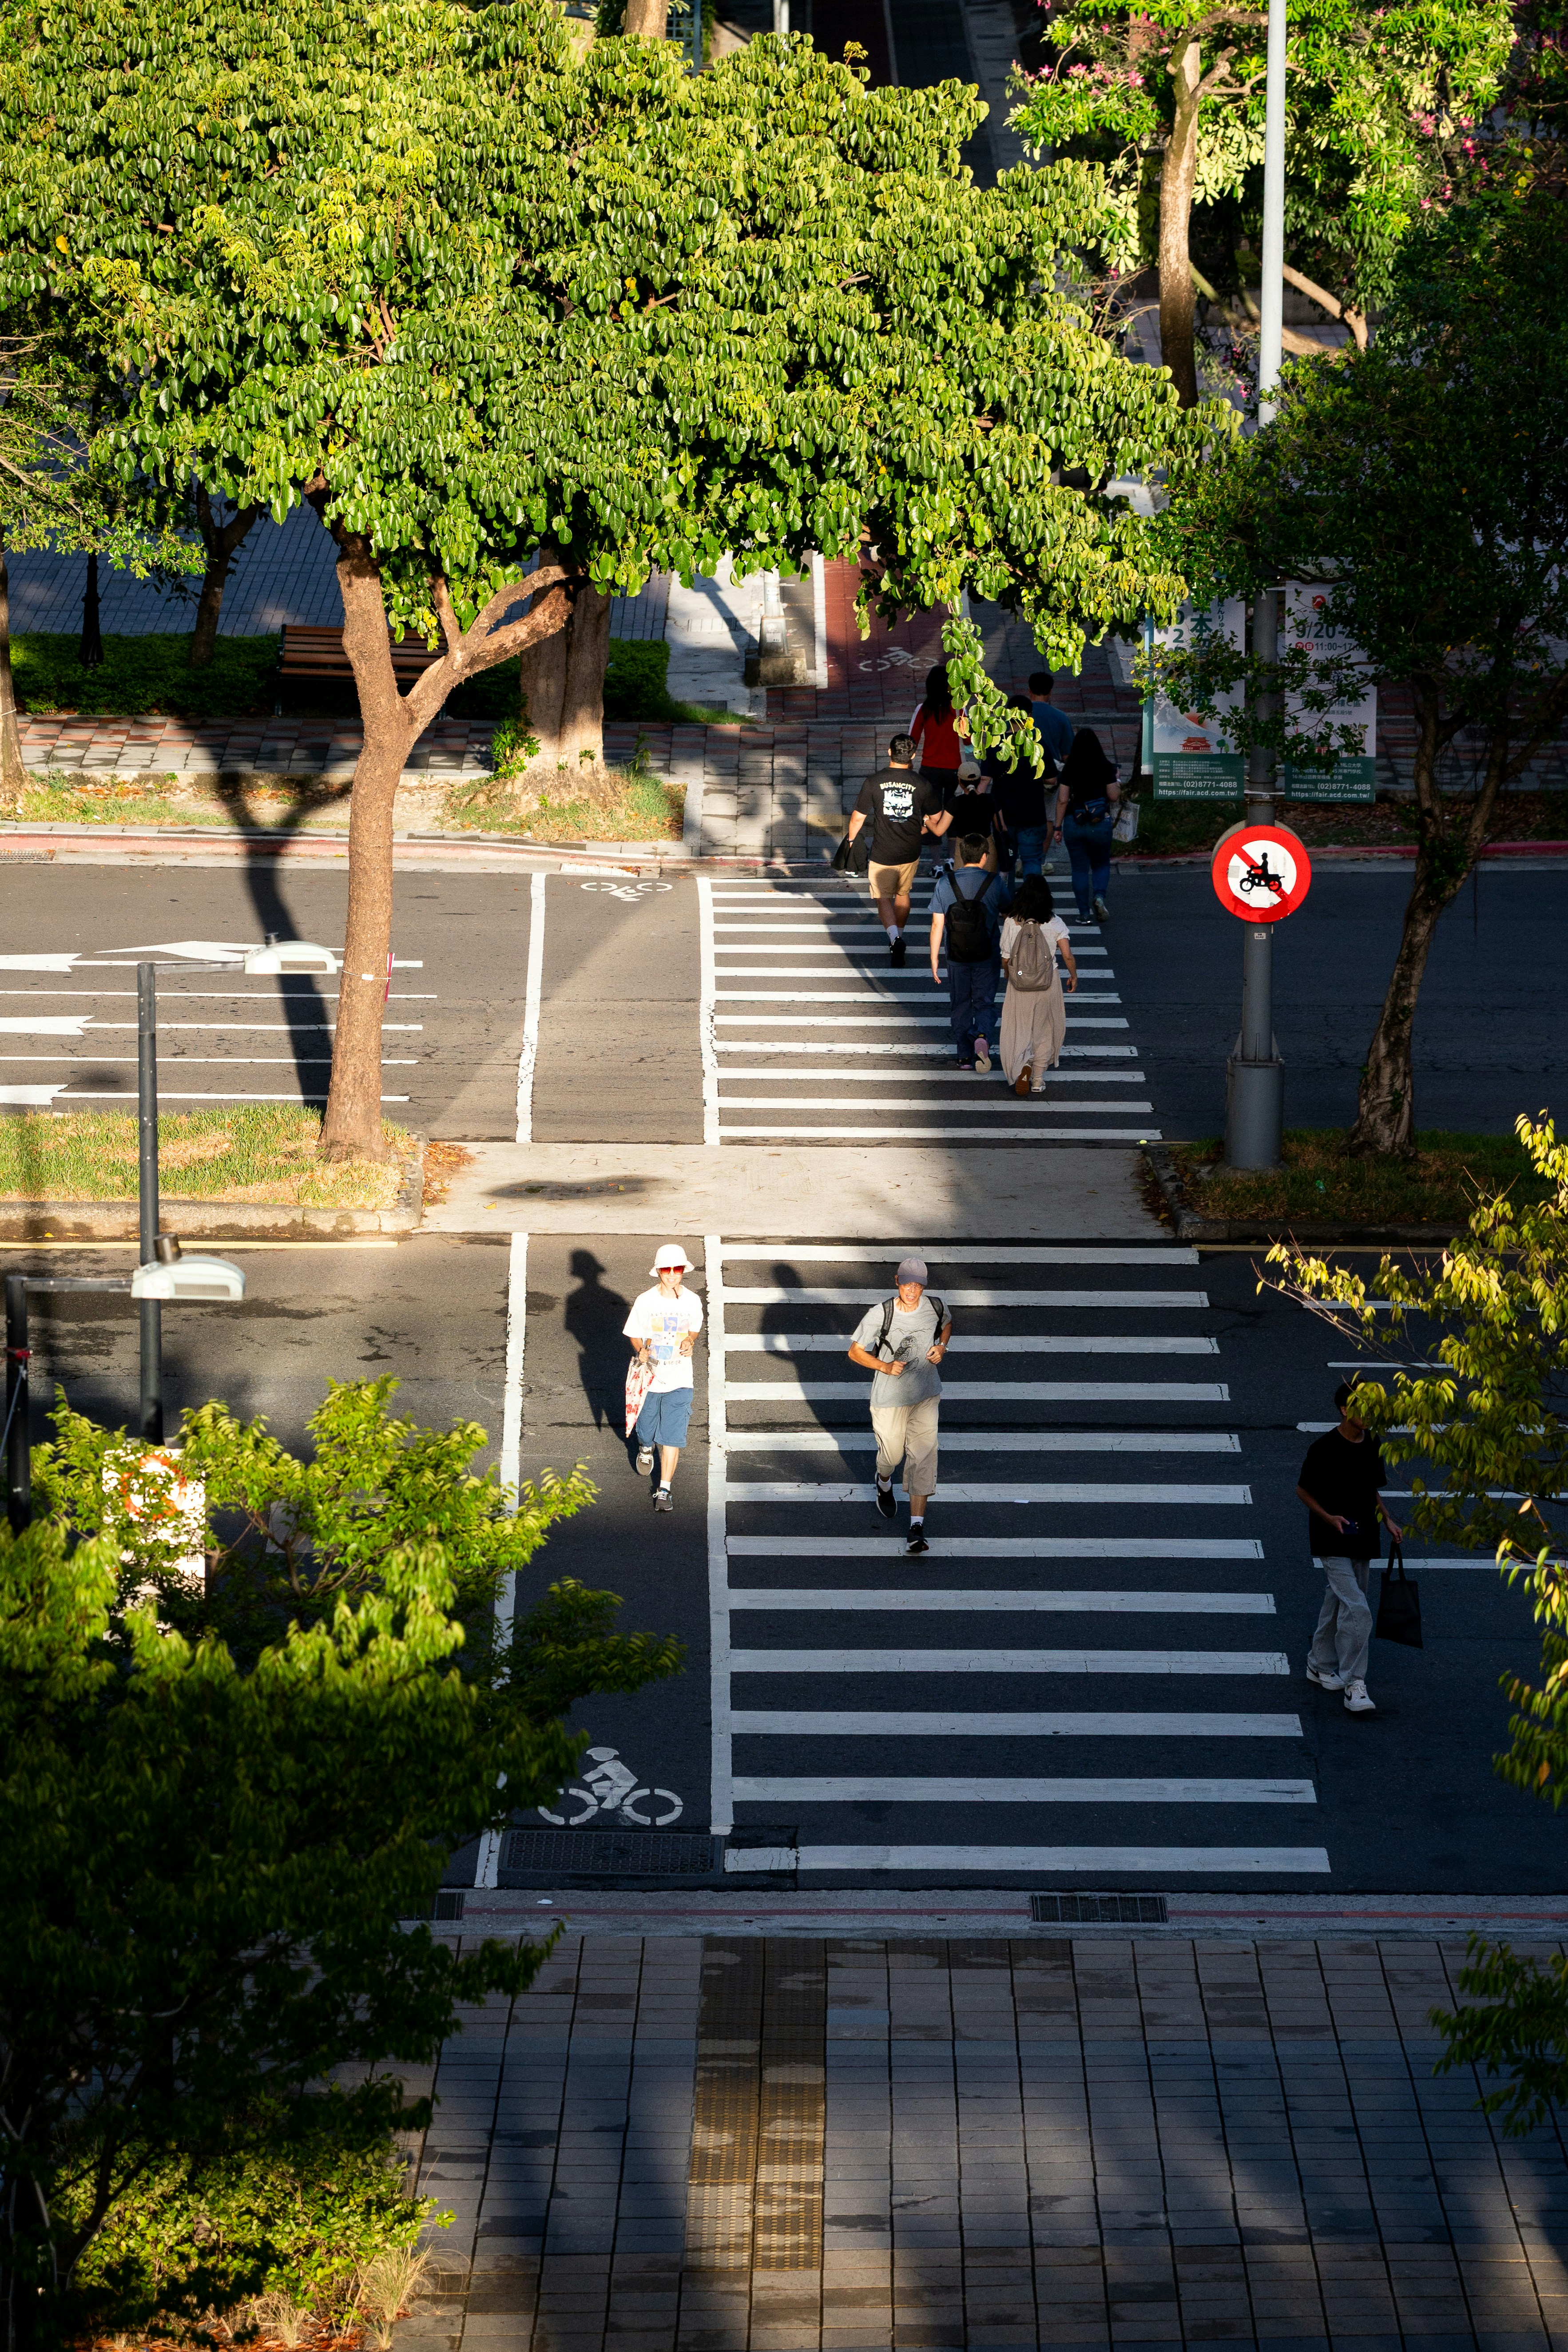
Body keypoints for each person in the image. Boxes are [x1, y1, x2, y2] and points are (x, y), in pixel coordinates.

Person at [1295, 1382, 1403, 1715]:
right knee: (1358, 1609)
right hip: (1332, 1537)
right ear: (1344, 1410)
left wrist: (1387, 1518)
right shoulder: (1323, 1448)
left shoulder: (1372, 1443)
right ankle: (1355, 1684)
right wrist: (1328, 1518)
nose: (1369, 1415)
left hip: (1364, 1534)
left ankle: (1318, 1663)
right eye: (1362, 1408)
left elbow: (1370, 1487)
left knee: (1337, 1598)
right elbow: (1302, 1490)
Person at [846, 1256, 952, 1555]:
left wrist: (942, 1347)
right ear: (897, 1281)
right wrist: (883, 1365)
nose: (912, 1290)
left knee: (923, 1458)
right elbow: (855, 1352)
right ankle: (883, 1480)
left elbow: (947, 1324)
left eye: (918, 1285)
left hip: (926, 1394)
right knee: (891, 1456)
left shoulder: (935, 1306)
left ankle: (916, 1528)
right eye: (907, 1284)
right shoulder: (880, 1314)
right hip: (889, 1399)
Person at [845, 732, 953, 965]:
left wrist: (852, 841)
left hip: (883, 851)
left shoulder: (873, 782)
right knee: (903, 894)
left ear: (889, 752)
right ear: (913, 755)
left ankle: (894, 939)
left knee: (883, 897)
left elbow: (857, 818)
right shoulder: (922, 784)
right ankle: (899, 937)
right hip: (911, 850)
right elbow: (936, 818)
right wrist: (921, 828)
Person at [623, 1244, 704, 1512]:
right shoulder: (645, 1301)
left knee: (672, 1436)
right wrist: (640, 1351)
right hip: (650, 1378)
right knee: (646, 1428)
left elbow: (694, 1331)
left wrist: (690, 1342)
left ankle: (664, 1490)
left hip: (681, 1380)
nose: (672, 1274)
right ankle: (645, 1447)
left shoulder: (692, 1300)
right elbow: (634, 1333)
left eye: (677, 1269)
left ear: (683, 1271)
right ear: (658, 1271)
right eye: (667, 1269)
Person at [929, 831, 1012, 1071]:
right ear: (985, 857)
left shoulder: (946, 882)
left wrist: (934, 958)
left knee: (961, 1003)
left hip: (956, 956)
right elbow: (1008, 912)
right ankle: (982, 1035)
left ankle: (965, 1056)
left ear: (962, 856)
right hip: (987, 954)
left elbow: (937, 924)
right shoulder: (995, 882)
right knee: (985, 1002)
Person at [998, 873, 1077, 1096]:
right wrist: (1074, 976)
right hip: (1047, 983)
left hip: (1019, 984)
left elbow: (1005, 957)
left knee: (1021, 1028)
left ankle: (1023, 1065)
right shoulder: (1054, 922)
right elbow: (1068, 955)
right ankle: (1038, 1078)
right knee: (1044, 1029)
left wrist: (1008, 975)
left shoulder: (1012, 922)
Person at [1054, 727, 1120, 922]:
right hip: (1100, 823)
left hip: (1075, 823)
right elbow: (1114, 797)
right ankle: (1099, 897)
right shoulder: (1106, 767)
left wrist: (1058, 828)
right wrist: (1117, 781)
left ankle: (1084, 913)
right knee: (1101, 864)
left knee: (1079, 869)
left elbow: (1063, 800)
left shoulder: (1070, 768)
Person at [988, 696, 1057, 879]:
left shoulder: (996, 745)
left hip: (1003, 817)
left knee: (1006, 864)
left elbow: (984, 781)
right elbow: (1052, 779)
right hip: (1033, 815)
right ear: (1030, 716)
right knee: (1032, 861)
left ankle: (1007, 905)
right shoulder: (1037, 744)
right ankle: (1032, 904)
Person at [910, 664, 969, 867]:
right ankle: (952, 859)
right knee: (953, 812)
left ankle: (936, 863)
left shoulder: (923, 709)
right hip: (954, 770)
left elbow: (912, 740)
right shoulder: (959, 708)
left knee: (930, 815)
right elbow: (968, 739)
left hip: (929, 770)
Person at [1029, 670, 1075, 765]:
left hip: (1022, 771)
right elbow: (1067, 755)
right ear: (1050, 692)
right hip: (1051, 770)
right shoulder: (1061, 717)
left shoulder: (1017, 715)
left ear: (1030, 690)